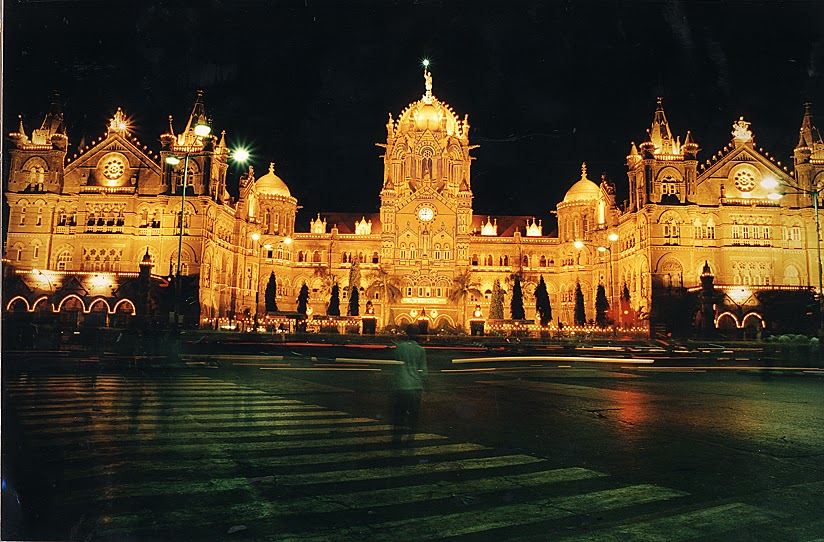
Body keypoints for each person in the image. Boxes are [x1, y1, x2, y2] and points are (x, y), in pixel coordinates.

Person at [390, 324, 428, 448]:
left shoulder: (399, 348)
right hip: (416, 386)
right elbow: (424, 372)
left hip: (401, 385)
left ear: (406, 333)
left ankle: (397, 439)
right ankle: (410, 439)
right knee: (413, 415)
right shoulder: (421, 350)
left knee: (399, 414)